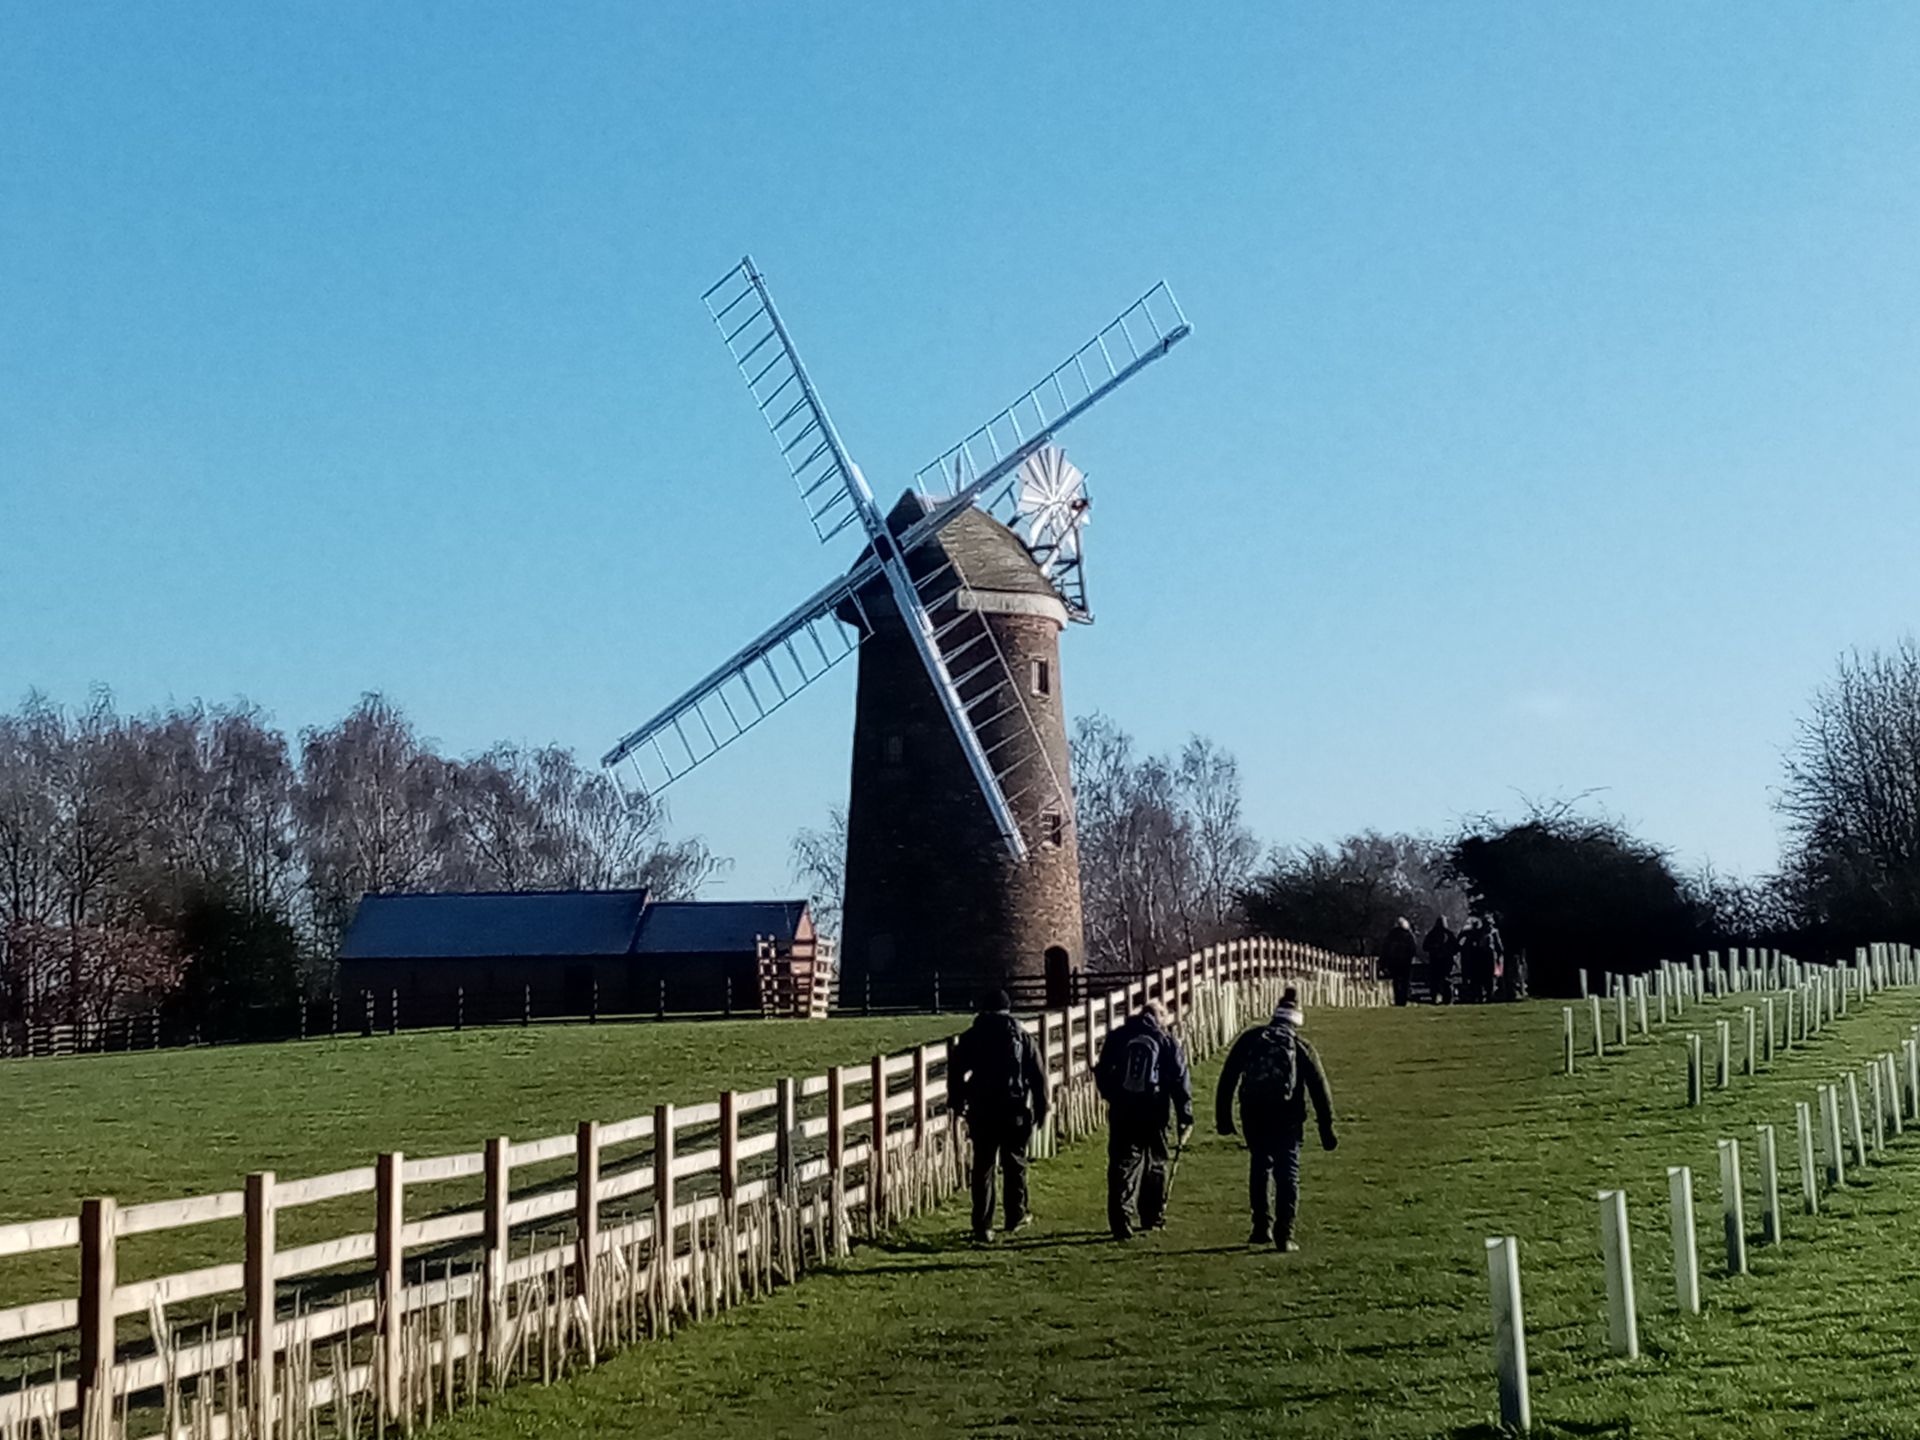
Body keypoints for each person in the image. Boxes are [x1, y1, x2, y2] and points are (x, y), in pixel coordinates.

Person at [1214, 986, 1336, 1251]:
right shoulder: (1301, 1047)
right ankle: (1285, 1233)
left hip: (1253, 1113)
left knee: (1260, 1166)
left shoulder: (1250, 1039)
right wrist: (1327, 1130)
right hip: (1287, 1119)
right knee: (1287, 1173)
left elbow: (1228, 1078)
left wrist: (1223, 1117)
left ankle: (1260, 1228)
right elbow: (1320, 1089)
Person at [950, 989, 1049, 1243]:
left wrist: (958, 1101)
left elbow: (956, 1071)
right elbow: (1037, 1075)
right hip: (1013, 1108)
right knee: (1014, 1162)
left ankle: (983, 1225)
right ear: (1007, 1009)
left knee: (983, 1166)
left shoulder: (973, 1036)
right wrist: (1041, 1107)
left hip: (982, 1109)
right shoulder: (1021, 1036)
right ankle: (1016, 1215)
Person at [1094, 998, 1193, 1240]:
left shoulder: (1118, 1036)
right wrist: (1185, 1115)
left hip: (1123, 1109)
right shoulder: (1166, 1041)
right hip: (1155, 1110)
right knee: (1156, 1162)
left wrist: (1112, 1096)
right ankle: (1152, 1216)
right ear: (1160, 1018)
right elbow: (1180, 1079)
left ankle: (1120, 1219)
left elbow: (1102, 1070)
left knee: (1123, 1162)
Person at [1380, 917, 1418, 1006]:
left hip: (1395, 961)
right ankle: (1403, 1000)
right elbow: (1413, 948)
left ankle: (1398, 999)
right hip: (1406, 962)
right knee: (1405, 982)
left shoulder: (1392, 935)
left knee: (1397, 982)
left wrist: (1384, 962)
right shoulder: (1408, 935)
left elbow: (1386, 949)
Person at [1423, 916, 1458, 1004]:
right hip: (1437, 961)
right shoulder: (1435, 934)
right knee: (1437, 980)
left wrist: (1447, 951)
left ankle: (1446, 998)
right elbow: (1425, 946)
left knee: (1444, 980)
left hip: (1444, 961)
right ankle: (1438, 998)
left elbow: (1456, 948)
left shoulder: (1448, 934)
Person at [1459, 918, 1495, 1003]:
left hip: (1486, 959)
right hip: (1479, 959)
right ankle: (1478, 996)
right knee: (1478, 980)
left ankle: (1487, 996)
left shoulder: (1490, 934)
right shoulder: (1476, 934)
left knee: (1487, 979)